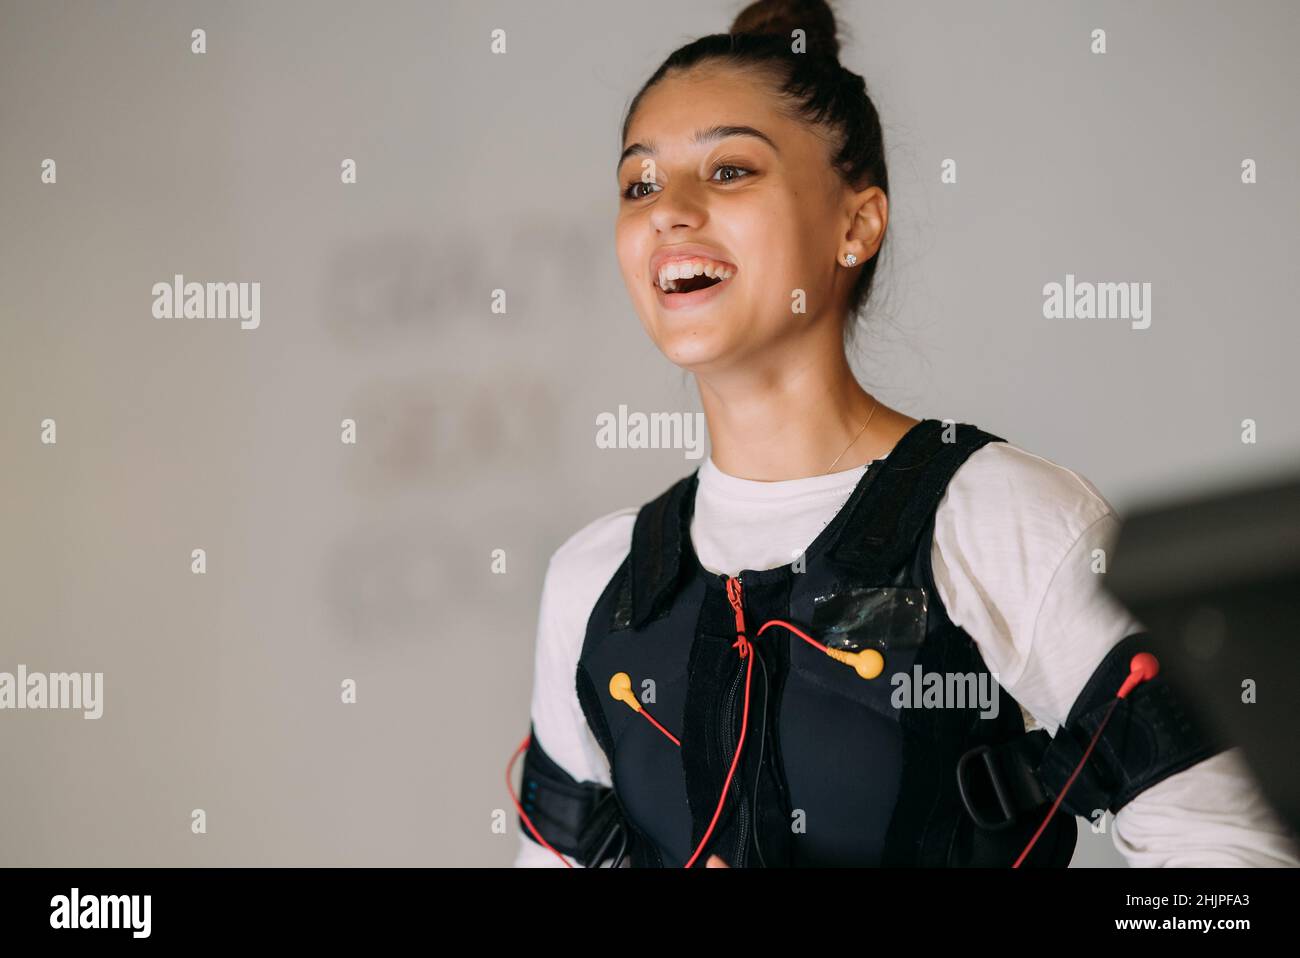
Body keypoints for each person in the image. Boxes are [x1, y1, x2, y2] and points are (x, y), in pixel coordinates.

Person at [510, 0, 1300, 867]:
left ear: (856, 225)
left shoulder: (1000, 518)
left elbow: (1232, 858)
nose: (670, 211)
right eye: (640, 184)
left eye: (731, 170)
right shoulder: (598, 585)